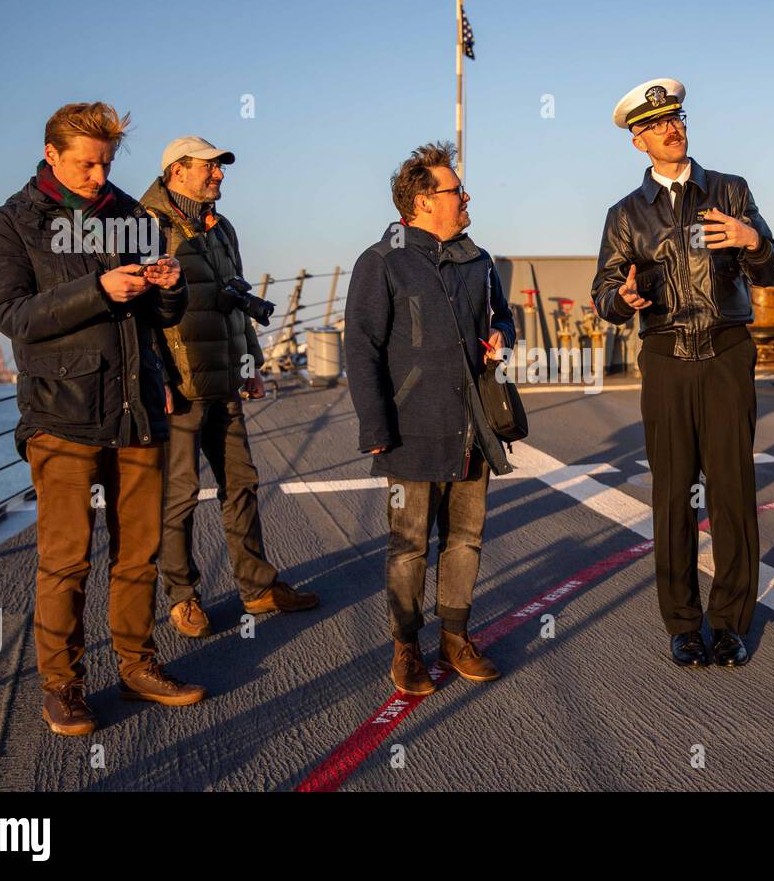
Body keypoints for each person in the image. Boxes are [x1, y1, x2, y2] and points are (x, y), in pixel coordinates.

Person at [0, 102, 206, 736]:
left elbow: (164, 318)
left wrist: (168, 286)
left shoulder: (134, 216)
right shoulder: (11, 222)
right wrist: (99, 291)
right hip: (61, 413)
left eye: (107, 162)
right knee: (66, 560)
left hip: (137, 408)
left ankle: (138, 668)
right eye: (86, 163)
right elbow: (12, 314)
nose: (98, 175)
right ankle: (64, 687)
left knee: (140, 553)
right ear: (51, 154)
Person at [591, 78, 774, 668]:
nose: (670, 129)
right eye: (654, 125)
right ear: (637, 142)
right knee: (674, 496)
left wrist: (752, 239)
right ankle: (682, 622)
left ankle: (729, 623)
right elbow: (603, 295)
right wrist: (623, 298)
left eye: (675, 118)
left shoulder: (731, 189)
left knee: (732, 493)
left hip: (728, 353)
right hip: (667, 358)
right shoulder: (624, 214)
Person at [344, 141, 516, 696]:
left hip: (472, 427)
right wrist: (375, 428)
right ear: (421, 201)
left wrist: (500, 337)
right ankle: (405, 647)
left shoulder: (477, 259)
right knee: (410, 544)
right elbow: (361, 347)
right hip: (411, 427)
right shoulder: (383, 260)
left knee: (466, 539)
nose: (465, 197)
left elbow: (503, 319)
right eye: (454, 190)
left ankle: (456, 637)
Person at [141, 137, 318, 637]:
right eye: (210, 169)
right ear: (177, 172)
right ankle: (182, 596)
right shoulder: (147, 226)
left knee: (241, 482)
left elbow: (236, 299)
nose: (219, 176)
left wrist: (251, 363)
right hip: (180, 383)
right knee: (179, 494)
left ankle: (257, 586)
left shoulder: (222, 228)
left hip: (223, 379)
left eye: (220, 169)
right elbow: (140, 314)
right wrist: (157, 379)